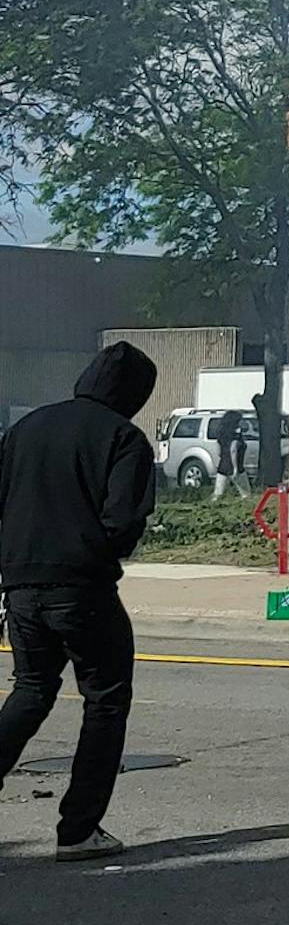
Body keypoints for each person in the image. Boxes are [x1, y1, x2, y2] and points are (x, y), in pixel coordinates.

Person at [0, 341, 158, 860]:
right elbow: (123, 519)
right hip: (82, 587)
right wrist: (100, 551)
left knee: (31, 690)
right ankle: (78, 829)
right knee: (106, 700)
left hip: (21, 585)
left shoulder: (27, 429)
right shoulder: (124, 438)